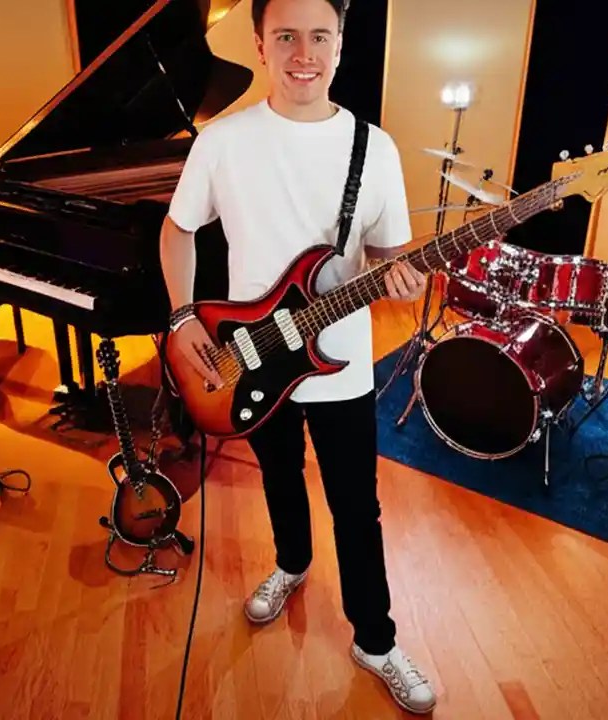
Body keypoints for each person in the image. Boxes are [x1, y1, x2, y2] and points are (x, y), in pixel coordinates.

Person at [158, 0, 436, 713]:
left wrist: (404, 275)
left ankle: (376, 640)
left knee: (357, 507)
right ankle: (289, 565)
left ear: (341, 48)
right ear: (259, 44)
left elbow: (388, 253)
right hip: (250, 358)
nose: (303, 51)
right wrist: (184, 311)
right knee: (278, 477)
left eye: (319, 36)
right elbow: (178, 230)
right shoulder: (222, 141)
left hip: (340, 361)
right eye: (286, 35)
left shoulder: (375, 148)